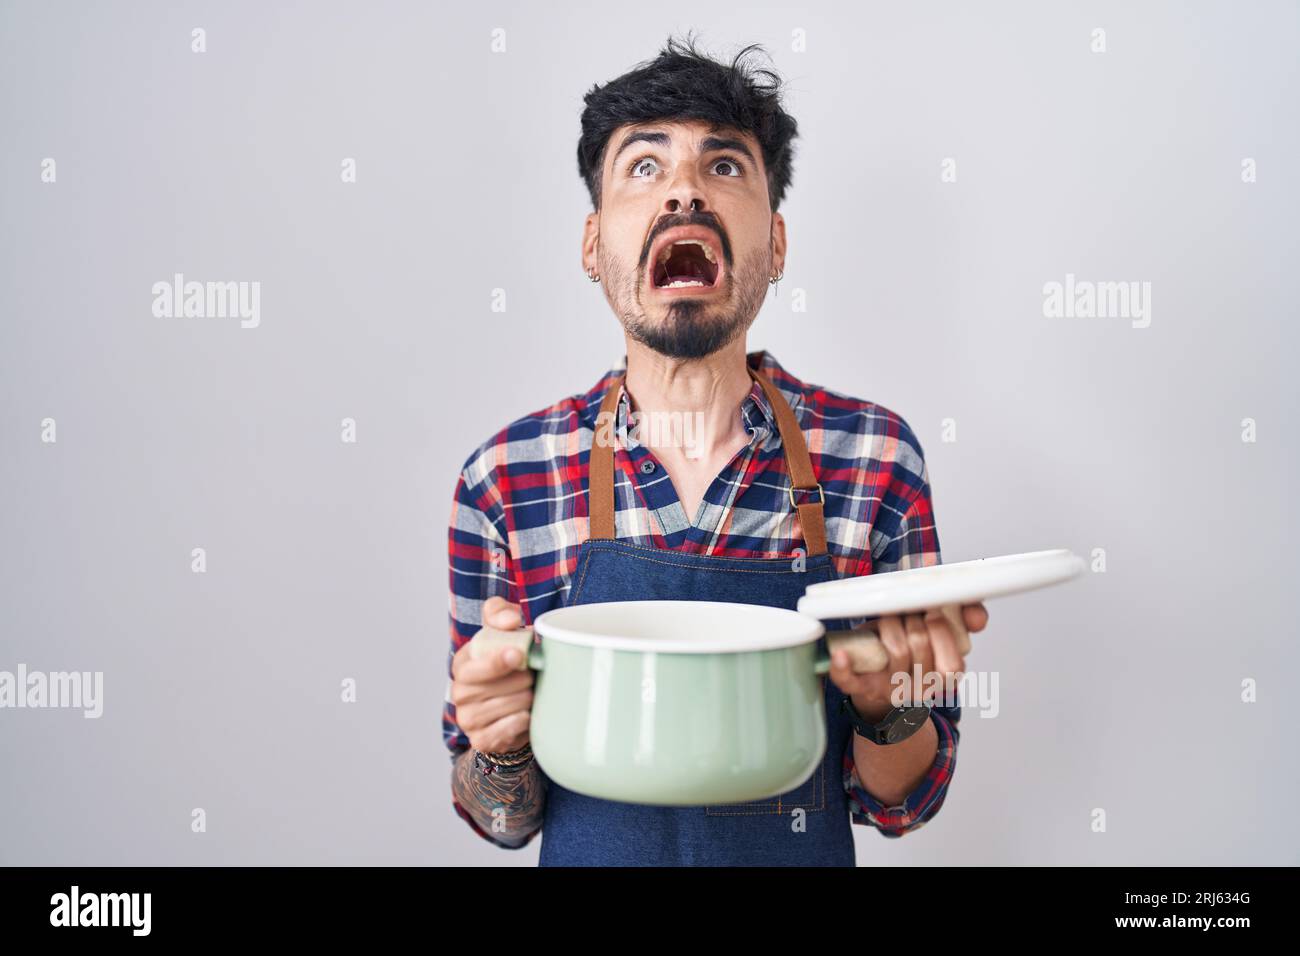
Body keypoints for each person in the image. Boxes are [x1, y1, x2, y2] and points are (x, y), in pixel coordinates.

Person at [442, 34, 989, 866]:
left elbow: (906, 800)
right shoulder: (505, 478)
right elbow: (499, 818)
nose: (685, 191)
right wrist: (501, 745)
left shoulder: (875, 459)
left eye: (724, 166)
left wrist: (890, 706)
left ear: (775, 243)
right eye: (645, 167)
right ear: (594, 245)